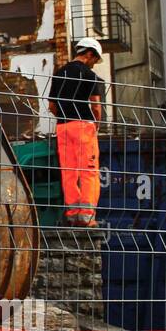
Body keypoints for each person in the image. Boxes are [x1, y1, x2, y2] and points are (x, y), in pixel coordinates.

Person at [47, 37, 104, 228]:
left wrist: (63, 116)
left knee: (68, 171)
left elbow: (52, 105)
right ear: (89, 54)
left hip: (63, 127)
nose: (94, 64)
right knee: (88, 171)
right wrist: (96, 125)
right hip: (83, 126)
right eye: (95, 60)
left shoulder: (59, 73)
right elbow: (96, 106)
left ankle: (72, 215)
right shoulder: (88, 75)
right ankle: (87, 216)